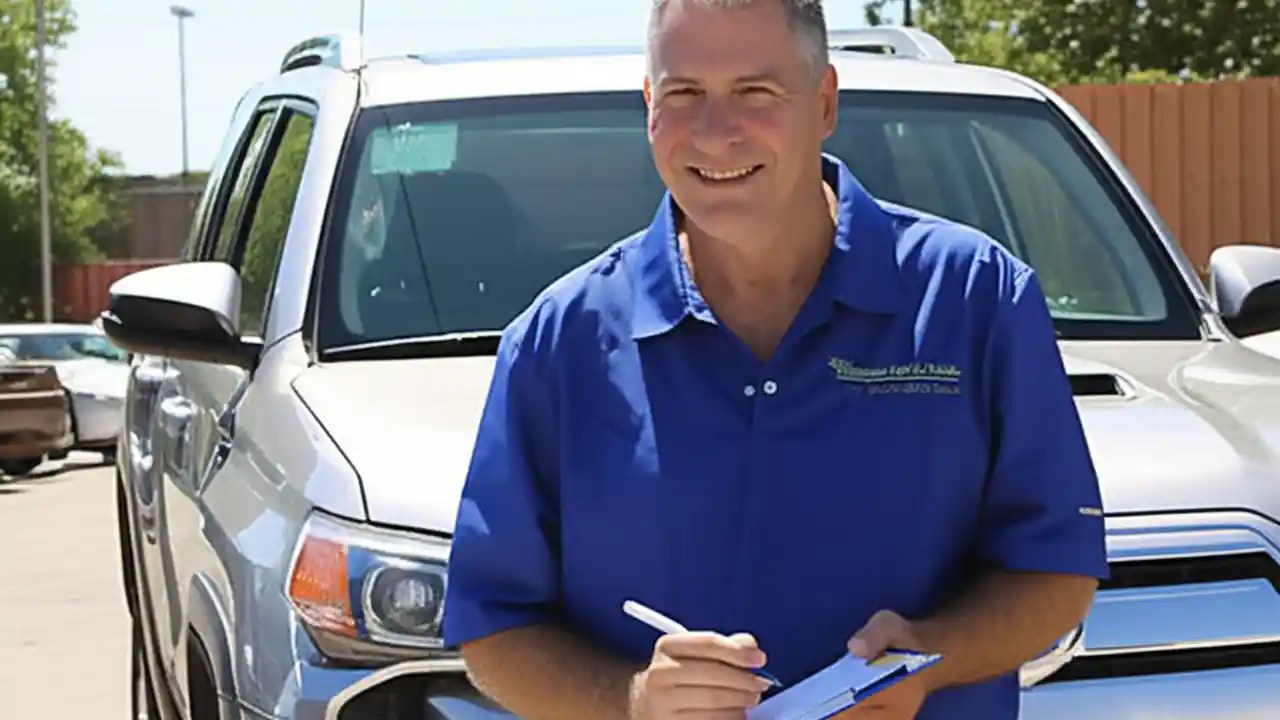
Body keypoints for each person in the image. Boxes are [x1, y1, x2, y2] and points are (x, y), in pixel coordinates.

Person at [441, 0, 1109, 718]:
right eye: (683, 94)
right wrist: (632, 700)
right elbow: (494, 629)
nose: (714, 133)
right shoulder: (558, 343)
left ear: (823, 103)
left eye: (755, 93)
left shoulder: (977, 299)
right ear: (648, 105)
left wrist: (931, 656)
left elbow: (1056, 572)